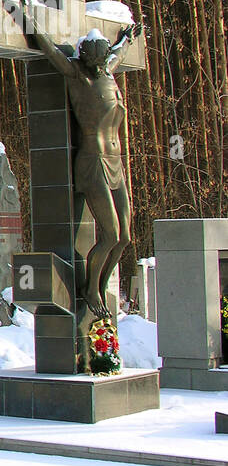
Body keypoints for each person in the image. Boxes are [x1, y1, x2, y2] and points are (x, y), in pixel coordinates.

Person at [32, 20, 142, 318]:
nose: (98, 64)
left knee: (125, 238)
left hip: (116, 163)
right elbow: (51, 51)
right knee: (110, 233)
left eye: (101, 58)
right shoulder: (77, 75)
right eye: (93, 59)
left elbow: (118, 53)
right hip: (92, 162)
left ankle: (101, 284)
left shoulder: (107, 71)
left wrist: (126, 40)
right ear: (84, 58)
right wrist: (30, 20)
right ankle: (90, 288)